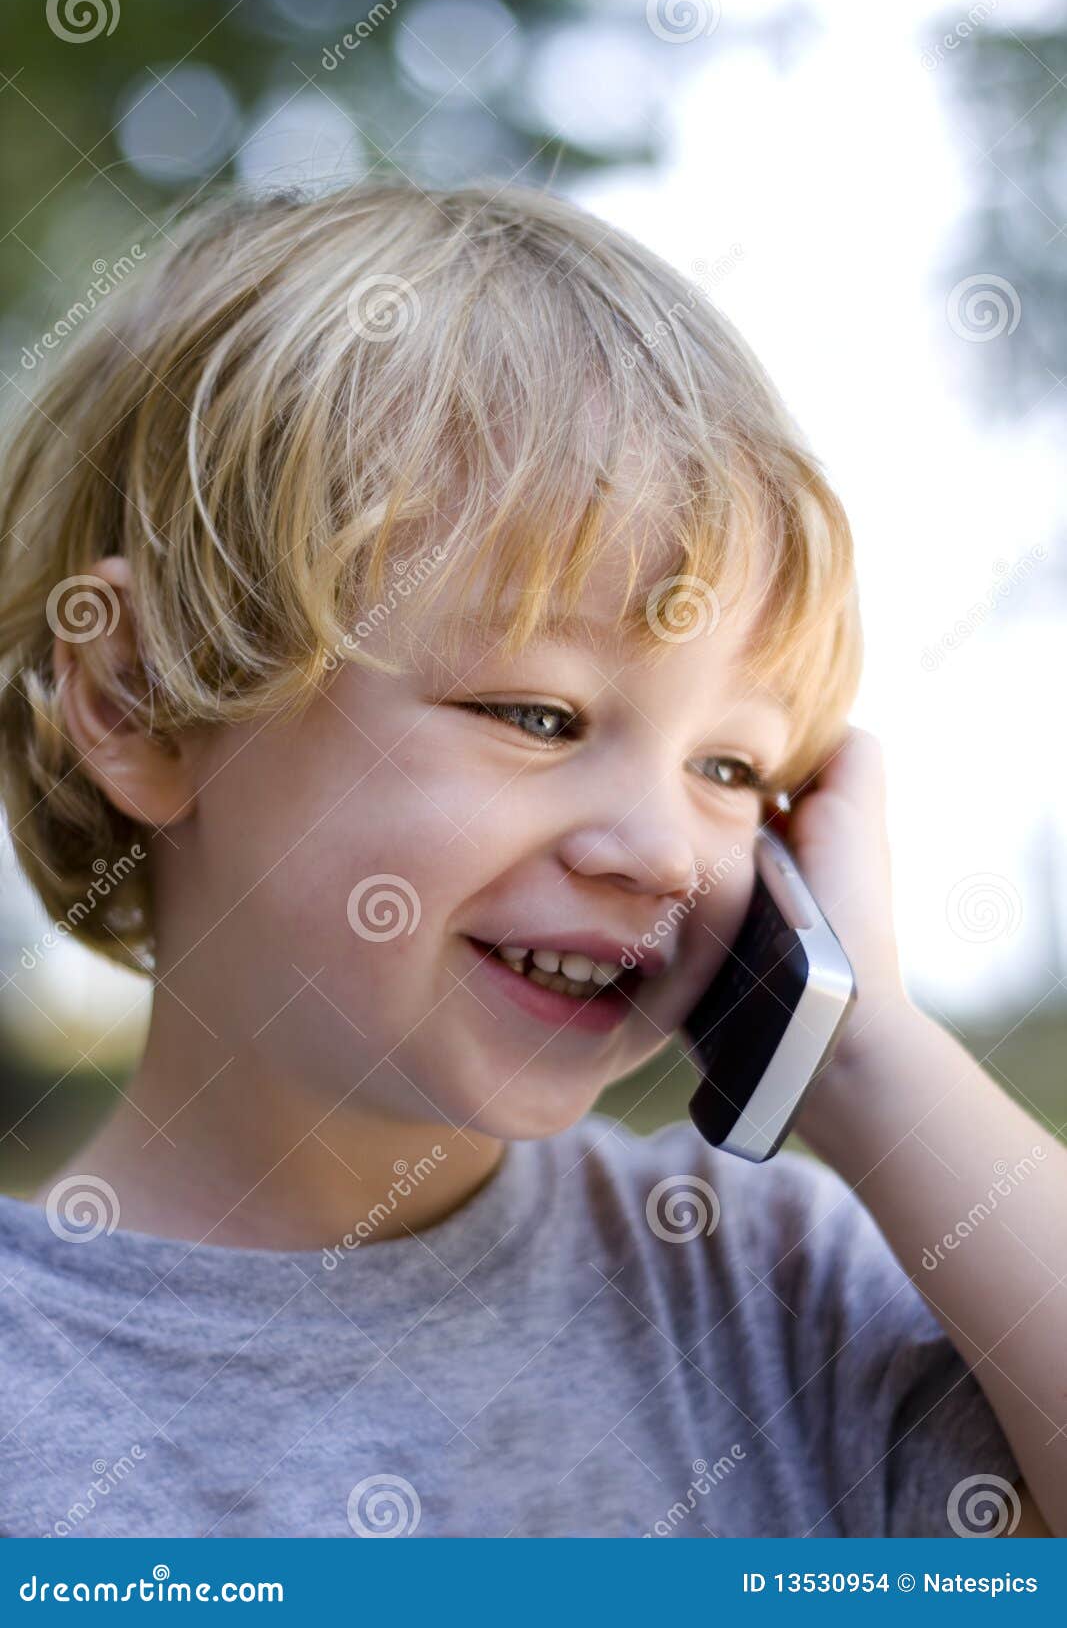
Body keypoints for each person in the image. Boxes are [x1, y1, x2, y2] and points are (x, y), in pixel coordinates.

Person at [0, 183, 1060, 1539]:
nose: (664, 854)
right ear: (142, 701)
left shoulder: (772, 1292)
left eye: (731, 769)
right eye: (538, 716)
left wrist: (863, 1056)